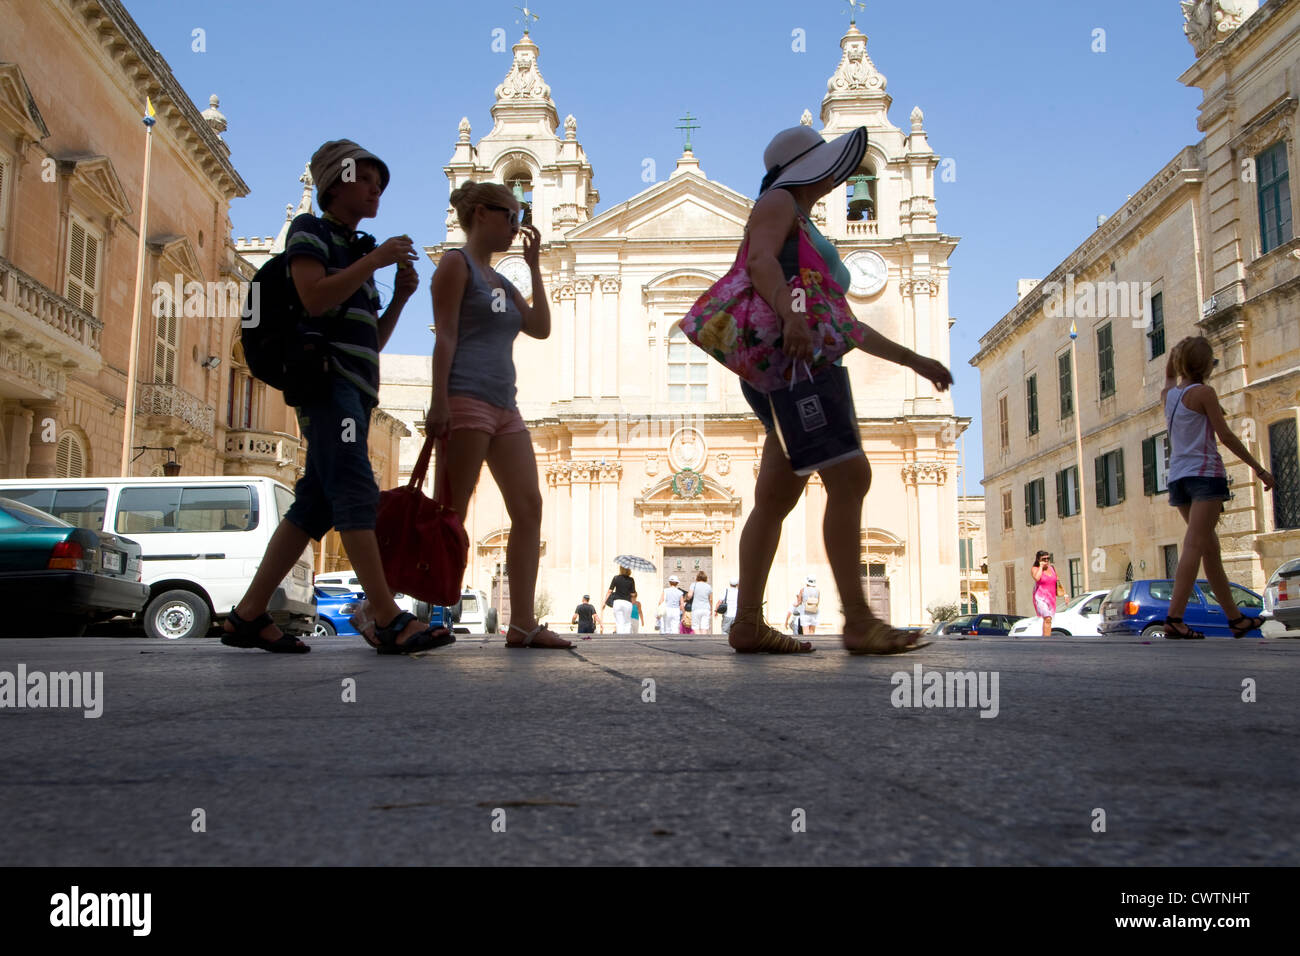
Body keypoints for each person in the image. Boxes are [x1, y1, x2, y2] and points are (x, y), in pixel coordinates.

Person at [727, 126, 954, 655]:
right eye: (825, 164)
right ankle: (858, 621)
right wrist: (791, 314)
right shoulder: (779, 201)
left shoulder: (802, 221)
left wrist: (915, 360)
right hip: (799, 366)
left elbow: (844, 323)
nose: (836, 175)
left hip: (796, 364)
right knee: (851, 476)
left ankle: (746, 623)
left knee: (775, 498)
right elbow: (760, 261)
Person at [221, 139, 449, 656]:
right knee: (355, 490)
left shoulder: (358, 247)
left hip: (356, 388)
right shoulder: (311, 232)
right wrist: (375, 260)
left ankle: (248, 616)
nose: (376, 190)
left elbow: (373, 339)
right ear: (335, 182)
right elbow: (314, 296)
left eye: (380, 184)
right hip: (326, 384)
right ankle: (388, 617)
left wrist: (400, 297)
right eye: (366, 180)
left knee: (314, 505)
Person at [426, 182, 570, 649]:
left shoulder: (502, 280)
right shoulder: (456, 264)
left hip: (506, 406)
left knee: (529, 508)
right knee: (451, 509)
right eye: (512, 215)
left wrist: (534, 268)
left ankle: (523, 622)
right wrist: (438, 401)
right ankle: (420, 610)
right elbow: (445, 335)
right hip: (465, 396)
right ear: (482, 215)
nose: (518, 224)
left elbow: (541, 328)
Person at [1161, 336, 1274, 639]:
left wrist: (1175, 355)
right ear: (1207, 366)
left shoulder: (1169, 395)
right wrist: (1259, 469)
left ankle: (1235, 619)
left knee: (1210, 550)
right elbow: (1225, 436)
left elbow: (1170, 375)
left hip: (1179, 480)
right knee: (1195, 547)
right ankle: (1174, 618)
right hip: (1205, 477)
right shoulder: (1205, 393)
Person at [1029, 552, 1063, 636]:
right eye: (1044, 559)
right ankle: (1046, 639)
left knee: (1049, 619)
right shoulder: (1035, 569)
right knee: (1047, 618)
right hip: (1040, 598)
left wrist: (1065, 594)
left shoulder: (1052, 568)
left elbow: (1058, 581)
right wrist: (1040, 567)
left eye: (1048, 558)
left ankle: (1046, 636)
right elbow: (1037, 578)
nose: (1046, 560)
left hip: (1051, 598)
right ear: (1038, 559)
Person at [604, 565, 637, 633]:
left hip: (617, 602)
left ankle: (620, 639)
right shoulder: (631, 580)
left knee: (619, 622)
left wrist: (604, 602)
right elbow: (633, 594)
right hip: (627, 603)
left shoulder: (616, 578)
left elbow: (609, 591)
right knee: (627, 622)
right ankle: (626, 640)